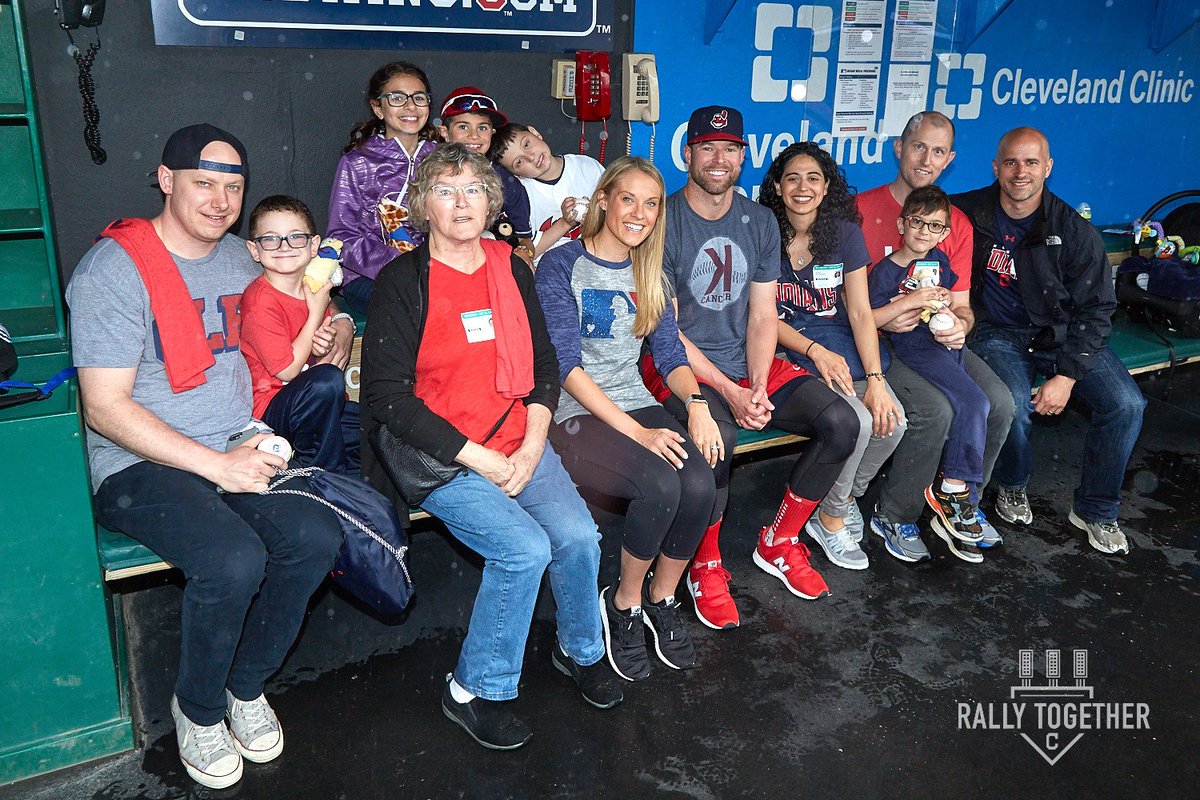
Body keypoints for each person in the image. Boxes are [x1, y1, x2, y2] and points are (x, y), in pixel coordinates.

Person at [65, 124, 344, 789]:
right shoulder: (115, 268)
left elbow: (305, 314)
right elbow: (104, 408)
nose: (220, 200)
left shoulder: (242, 260)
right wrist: (218, 466)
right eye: (203, 183)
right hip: (140, 463)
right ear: (166, 180)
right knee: (232, 558)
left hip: (238, 440)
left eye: (233, 186)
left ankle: (244, 688)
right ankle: (196, 709)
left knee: (315, 538)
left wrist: (338, 336)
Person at [360, 145, 622, 751]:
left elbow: (547, 367)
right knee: (524, 551)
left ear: (491, 202)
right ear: (423, 203)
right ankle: (475, 689)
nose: (461, 203)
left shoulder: (512, 268)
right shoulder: (403, 281)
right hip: (444, 457)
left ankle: (580, 651)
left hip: (517, 440)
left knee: (580, 538)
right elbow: (388, 400)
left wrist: (532, 446)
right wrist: (480, 458)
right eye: (445, 190)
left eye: (473, 190)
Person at [647, 106, 859, 630]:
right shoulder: (664, 221)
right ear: (688, 153)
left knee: (843, 423)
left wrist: (759, 386)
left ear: (743, 156)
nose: (719, 159)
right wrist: (730, 392)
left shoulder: (760, 220)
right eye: (707, 148)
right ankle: (706, 563)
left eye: (730, 149)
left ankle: (780, 541)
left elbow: (764, 313)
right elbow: (666, 332)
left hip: (749, 364)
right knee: (715, 441)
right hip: (682, 367)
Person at [535, 157, 720, 681]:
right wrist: (639, 432)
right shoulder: (562, 264)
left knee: (701, 483)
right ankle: (624, 602)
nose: (639, 213)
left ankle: (663, 599)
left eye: (652, 202)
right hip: (575, 412)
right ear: (603, 201)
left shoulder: (651, 271)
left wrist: (697, 406)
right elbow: (566, 367)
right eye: (628, 198)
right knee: (661, 483)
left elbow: (668, 356)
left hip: (635, 400)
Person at [954, 127, 1146, 555]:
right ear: (995, 167)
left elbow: (1097, 309)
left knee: (1127, 404)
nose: (1020, 172)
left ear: (1048, 167)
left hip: (1062, 333)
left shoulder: (1074, 231)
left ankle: (1096, 508)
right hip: (995, 331)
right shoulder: (966, 212)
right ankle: (1013, 484)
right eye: (1010, 162)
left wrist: (1067, 375)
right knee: (1013, 403)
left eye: (1031, 162)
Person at [856, 111, 1014, 561]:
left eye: (938, 151)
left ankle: (959, 505)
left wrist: (957, 328)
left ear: (951, 159)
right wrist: (889, 317)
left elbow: (960, 303)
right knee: (935, 410)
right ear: (898, 148)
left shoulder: (956, 224)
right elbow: (848, 304)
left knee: (1000, 403)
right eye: (919, 146)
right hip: (877, 340)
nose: (927, 158)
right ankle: (896, 514)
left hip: (932, 339)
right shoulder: (860, 211)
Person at [760, 142, 906, 571]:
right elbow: (762, 314)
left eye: (813, 178)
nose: (802, 187)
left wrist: (876, 380)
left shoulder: (843, 231)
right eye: (792, 178)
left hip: (839, 344)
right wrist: (814, 351)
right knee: (857, 423)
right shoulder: (763, 229)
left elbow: (860, 312)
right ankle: (831, 517)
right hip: (787, 348)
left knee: (892, 421)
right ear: (777, 186)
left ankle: (840, 497)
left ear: (826, 189)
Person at [867, 186, 990, 562]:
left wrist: (951, 318)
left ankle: (958, 494)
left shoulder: (940, 262)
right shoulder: (885, 270)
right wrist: (907, 305)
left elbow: (952, 298)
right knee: (972, 400)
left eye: (935, 226)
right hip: (910, 347)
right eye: (918, 222)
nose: (924, 231)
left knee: (981, 402)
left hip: (942, 343)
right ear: (902, 224)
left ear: (944, 233)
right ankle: (953, 488)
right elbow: (866, 319)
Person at [240, 195, 360, 472]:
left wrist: (323, 342)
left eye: (296, 237)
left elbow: (311, 349)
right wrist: (317, 313)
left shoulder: (314, 288)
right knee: (326, 380)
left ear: (314, 245)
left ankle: (342, 478)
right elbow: (288, 371)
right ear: (255, 250)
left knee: (377, 432)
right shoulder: (260, 300)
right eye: (270, 239)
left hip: (321, 408)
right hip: (274, 412)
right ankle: (321, 478)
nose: (284, 247)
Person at [328, 60, 439, 312]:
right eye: (397, 98)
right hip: (368, 277)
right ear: (378, 108)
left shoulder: (441, 159)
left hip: (435, 271)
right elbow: (342, 236)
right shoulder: (357, 162)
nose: (411, 106)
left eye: (419, 98)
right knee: (416, 306)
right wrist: (402, 264)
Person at [437, 86, 535, 262]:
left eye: (482, 128)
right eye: (463, 127)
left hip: (494, 263)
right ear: (445, 132)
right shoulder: (431, 175)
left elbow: (524, 239)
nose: (474, 136)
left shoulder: (507, 182)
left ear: (492, 133)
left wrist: (524, 255)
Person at [489, 123, 604, 261]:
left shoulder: (586, 167)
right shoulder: (520, 198)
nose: (530, 157)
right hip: (553, 270)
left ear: (535, 133)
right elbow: (529, 253)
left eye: (526, 144)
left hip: (599, 258)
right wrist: (565, 223)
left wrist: (598, 209)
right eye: (519, 162)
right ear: (515, 175)